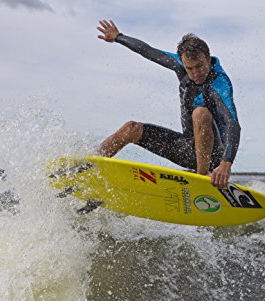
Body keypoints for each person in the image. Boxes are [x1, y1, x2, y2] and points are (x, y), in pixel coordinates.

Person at [96, 19, 241, 189]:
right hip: (187, 147)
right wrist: (118, 37)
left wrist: (225, 164)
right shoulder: (180, 65)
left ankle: (201, 179)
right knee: (131, 128)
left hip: (214, 155)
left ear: (208, 59)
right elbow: (148, 51)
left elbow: (233, 124)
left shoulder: (220, 83)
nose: (195, 73)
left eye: (200, 66)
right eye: (190, 68)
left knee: (200, 112)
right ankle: (87, 165)